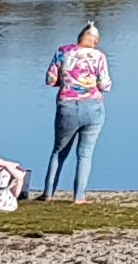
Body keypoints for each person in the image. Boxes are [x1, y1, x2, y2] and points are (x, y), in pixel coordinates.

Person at [40, 22, 109, 204]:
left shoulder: (62, 51)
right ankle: (79, 196)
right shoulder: (99, 56)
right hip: (94, 108)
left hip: (67, 107)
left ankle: (48, 193)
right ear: (95, 41)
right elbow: (105, 85)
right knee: (85, 154)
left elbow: (50, 79)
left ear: (79, 38)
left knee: (59, 151)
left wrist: (64, 82)